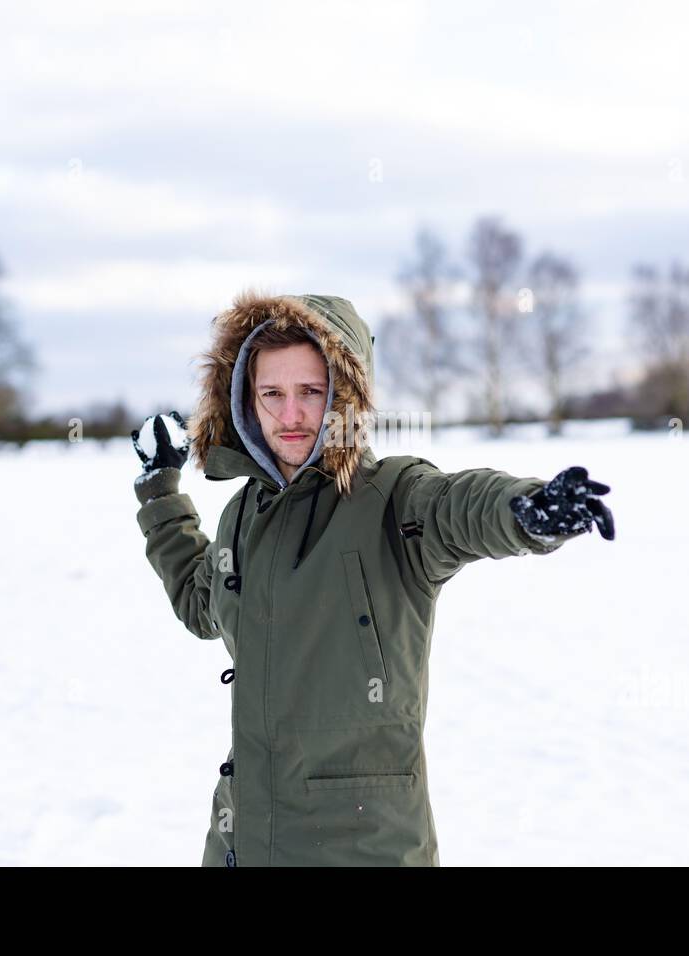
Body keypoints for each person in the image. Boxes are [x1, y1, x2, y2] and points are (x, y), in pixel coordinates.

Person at [130, 289, 614, 866]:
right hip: (242, 843)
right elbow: (199, 604)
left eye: (311, 392)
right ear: (244, 401)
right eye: (272, 394)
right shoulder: (241, 517)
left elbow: (457, 506)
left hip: (362, 848)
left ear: (344, 397)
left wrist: (524, 510)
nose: (291, 415)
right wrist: (160, 489)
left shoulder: (391, 497)